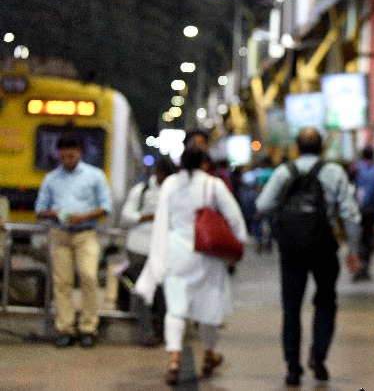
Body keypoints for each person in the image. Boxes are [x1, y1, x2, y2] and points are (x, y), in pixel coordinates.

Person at [255, 127, 361, 386]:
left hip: (291, 248)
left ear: (296, 146)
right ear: (322, 147)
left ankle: (293, 368)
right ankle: (318, 357)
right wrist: (353, 250)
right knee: (326, 301)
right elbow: (349, 213)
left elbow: (262, 205)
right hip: (323, 246)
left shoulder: (284, 172)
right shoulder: (333, 172)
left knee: (291, 308)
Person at [134, 146, 247, 385]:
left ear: (181, 164)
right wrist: (238, 243)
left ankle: (174, 359)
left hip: (176, 252)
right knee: (208, 307)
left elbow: (162, 219)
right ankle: (208, 354)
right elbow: (235, 219)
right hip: (206, 253)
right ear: (204, 163)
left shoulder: (170, 184)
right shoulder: (212, 185)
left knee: (176, 308)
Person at [34, 133, 113, 348]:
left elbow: (106, 206)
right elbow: (40, 210)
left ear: (79, 152)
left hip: (86, 234)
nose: (67, 160)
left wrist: (83, 216)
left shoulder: (95, 176)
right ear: (58, 155)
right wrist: (56, 213)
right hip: (59, 235)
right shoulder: (51, 179)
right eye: (63, 156)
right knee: (62, 283)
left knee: (88, 277)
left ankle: (88, 327)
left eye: (71, 155)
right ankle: (65, 328)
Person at [118, 156, 177, 344]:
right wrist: (148, 217)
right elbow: (126, 216)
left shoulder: (175, 193)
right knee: (143, 291)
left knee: (163, 291)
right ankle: (146, 332)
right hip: (139, 247)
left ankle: (161, 328)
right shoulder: (141, 191)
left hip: (163, 249)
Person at [348, 146, 374, 281]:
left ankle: (358, 267)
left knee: (358, 238)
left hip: (357, 209)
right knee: (368, 238)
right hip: (372, 210)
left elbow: (350, 184)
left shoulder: (355, 168)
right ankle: (366, 268)